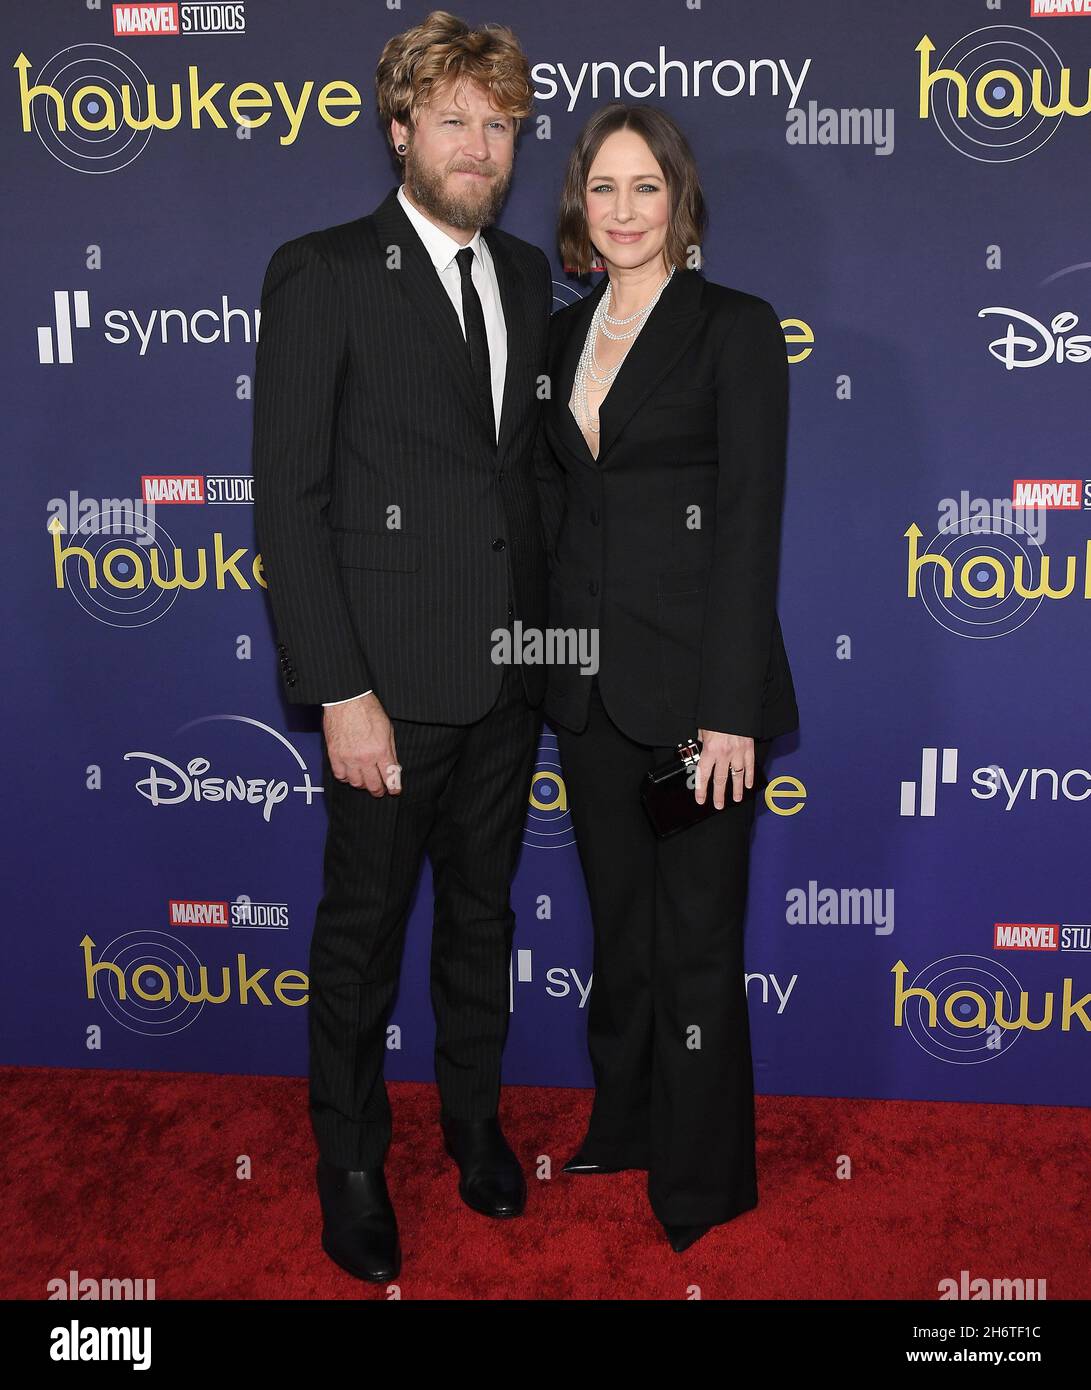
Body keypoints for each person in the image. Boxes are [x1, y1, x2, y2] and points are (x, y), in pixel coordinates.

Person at [252, 11, 552, 1283]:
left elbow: (522, 484)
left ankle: (475, 1125)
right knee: (361, 939)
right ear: (398, 133)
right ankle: (352, 1164)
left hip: (504, 682)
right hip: (383, 688)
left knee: (479, 922)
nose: (478, 146)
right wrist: (340, 690)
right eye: (453, 121)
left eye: (498, 125)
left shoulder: (533, 276)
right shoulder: (321, 270)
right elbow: (290, 500)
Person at [534, 103, 800, 1254]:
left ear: (679, 203)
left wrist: (727, 712)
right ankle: (627, 1122)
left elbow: (747, 524)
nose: (624, 210)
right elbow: (552, 516)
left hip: (697, 700)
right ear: (577, 207)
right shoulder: (558, 340)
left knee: (695, 940)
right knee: (622, 931)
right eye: (603, 188)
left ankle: (702, 1179)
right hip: (587, 695)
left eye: (646, 187)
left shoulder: (733, 328)